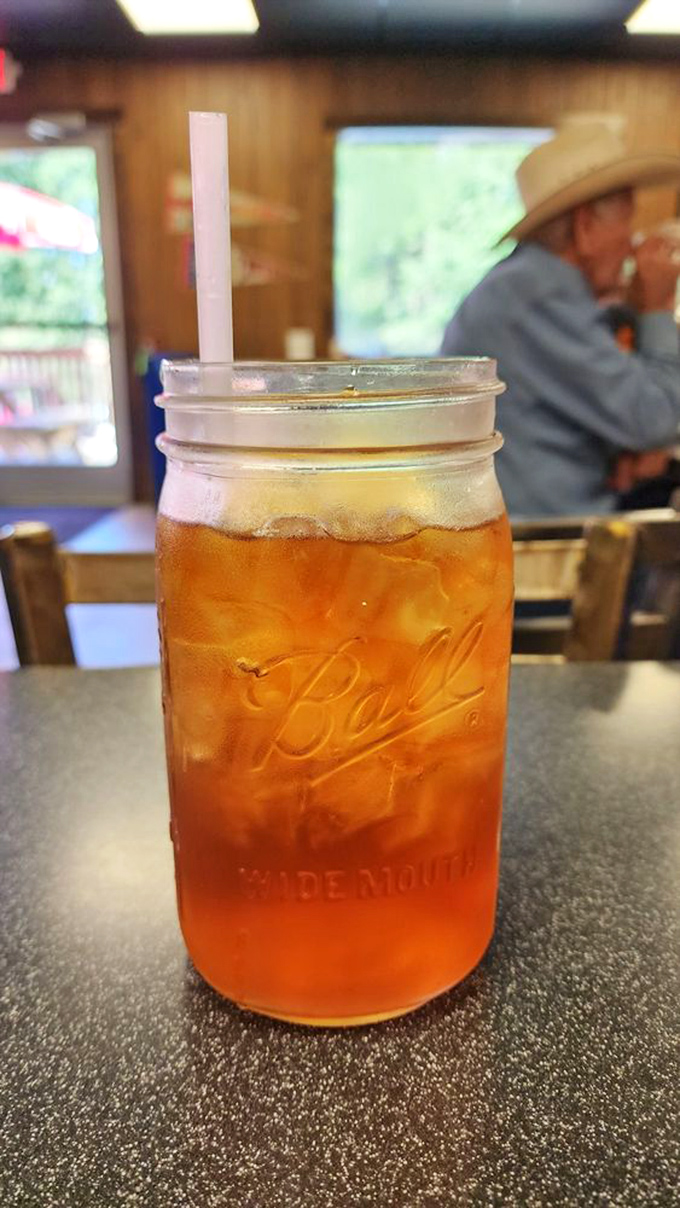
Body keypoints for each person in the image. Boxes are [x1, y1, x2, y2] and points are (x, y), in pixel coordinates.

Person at [440, 118, 680, 516]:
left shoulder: (526, 286)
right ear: (585, 226)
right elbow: (656, 418)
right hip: (541, 533)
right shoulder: (539, 295)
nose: (631, 243)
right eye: (627, 221)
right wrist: (656, 308)